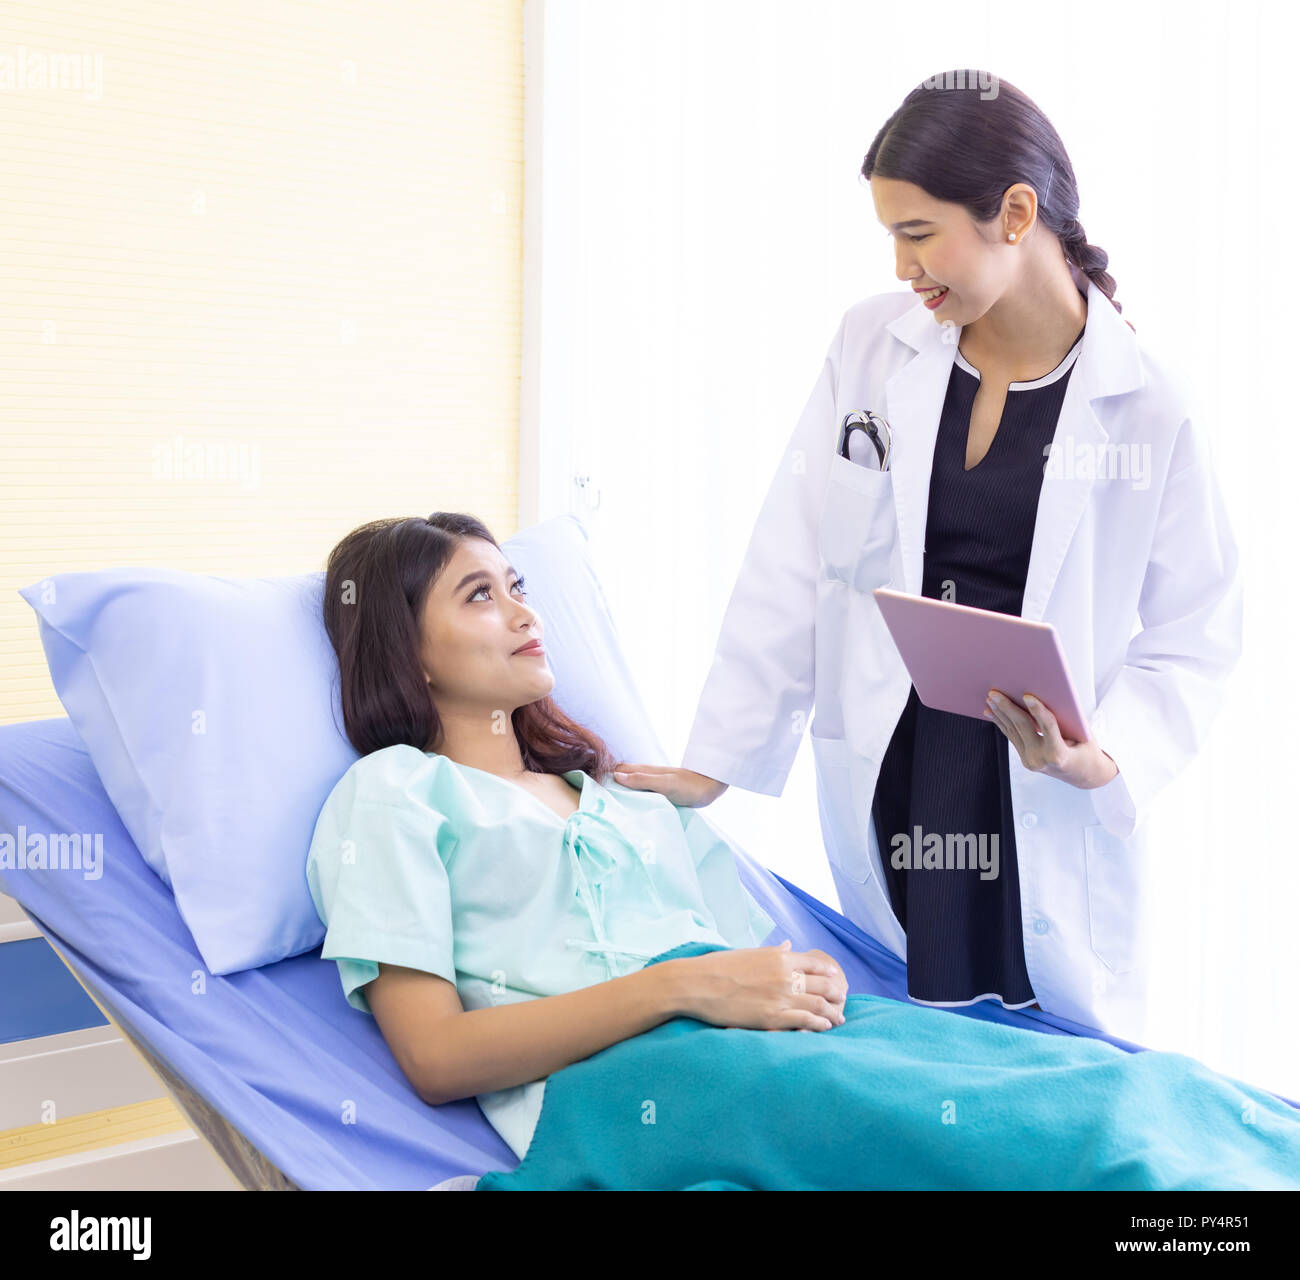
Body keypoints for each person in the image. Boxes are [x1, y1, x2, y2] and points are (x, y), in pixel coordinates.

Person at [303, 513, 1295, 1192]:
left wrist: (789, 979)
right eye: (481, 595)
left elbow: (753, 967)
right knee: (1055, 1144)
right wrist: (682, 990)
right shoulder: (393, 793)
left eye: (519, 584)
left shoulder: (623, 796)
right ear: (407, 646)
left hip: (773, 1041)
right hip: (626, 1080)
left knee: (1103, 1085)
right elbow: (434, 1056)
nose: (525, 610)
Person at [614, 73, 1242, 1041]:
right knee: (919, 1040)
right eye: (891, 239)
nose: (903, 267)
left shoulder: (1146, 402)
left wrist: (1102, 752)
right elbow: (793, 553)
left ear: (1015, 214)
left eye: (918, 233)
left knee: (1043, 1060)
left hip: (1039, 786)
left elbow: (1197, 633)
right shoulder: (874, 344)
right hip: (901, 763)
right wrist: (717, 760)